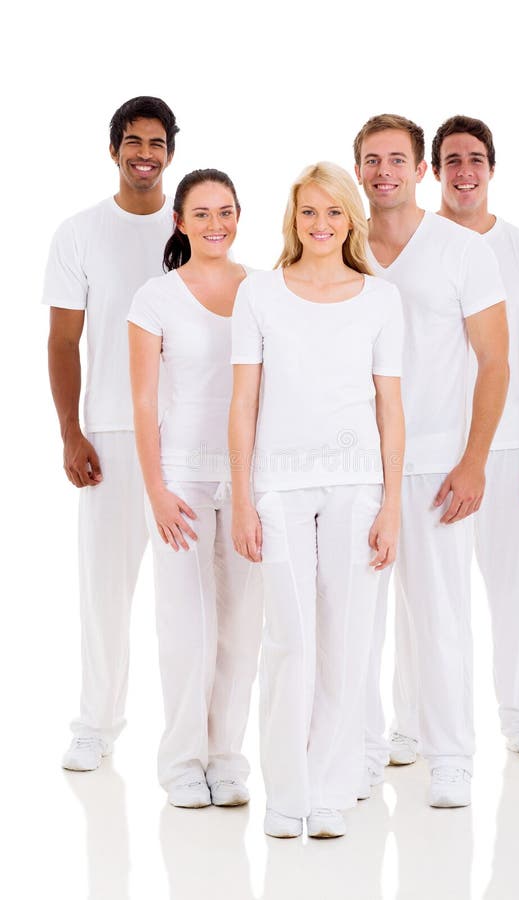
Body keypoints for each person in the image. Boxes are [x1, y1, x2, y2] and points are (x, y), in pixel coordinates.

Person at [229, 162, 405, 838]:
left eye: (334, 213)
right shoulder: (260, 294)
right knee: (290, 638)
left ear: (351, 221)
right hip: (278, 483)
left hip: (357, 484)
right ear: (293, 220)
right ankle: (287, 792)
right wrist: (245, 499)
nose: (321, 225)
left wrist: (390, 505)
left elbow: (391, 407)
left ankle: (329, 790)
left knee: (346, 637)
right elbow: (244, 403)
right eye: (309, 212)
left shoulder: (379, 298)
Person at [354, 114, 509, 807]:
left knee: (440, 615)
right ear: (356, 167)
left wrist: (474, 460)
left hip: (437, 463)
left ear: (420, 170)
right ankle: (359, 752)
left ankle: (452, 757)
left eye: (396, 159)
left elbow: (496, 360)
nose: (383, 170)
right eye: (370, 159)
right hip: (356, 463)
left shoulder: (461, 251)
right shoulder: (339, 241)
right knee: (354, 616)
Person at [44, 96, 178, 771]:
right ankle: (96, 725)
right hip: (112, 437)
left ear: (171, 152)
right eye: (133, 141)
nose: (144, 154)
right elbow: (64, 340)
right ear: (113, 149)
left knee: (191, 593)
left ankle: (195, 741)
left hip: (185, 439)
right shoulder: (80, 233)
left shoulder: (193, 225)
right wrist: (72, 432)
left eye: (155, 142)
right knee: (105, 588)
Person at [430, 114, 519, 765]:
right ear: (434, 169)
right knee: (427, 594)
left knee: (510, 588)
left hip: (508, 449)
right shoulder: (405, 246)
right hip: (427, 450)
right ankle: (413, 724)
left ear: (491, 169)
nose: (464, 172)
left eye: (475, 160)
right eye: (452, 160)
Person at [127, 169, 262, 808]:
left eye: (226, 211)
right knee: (186, 623)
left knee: (241, 621)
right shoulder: (155, 298)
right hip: (179, 476)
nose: (216, 224)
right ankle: (182, 761)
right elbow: (144, 401)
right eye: (202, 213)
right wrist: (154, 488)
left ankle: (228, 759)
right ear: (180, 221)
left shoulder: (264, 290)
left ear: (239, 217)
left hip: (248, 479)